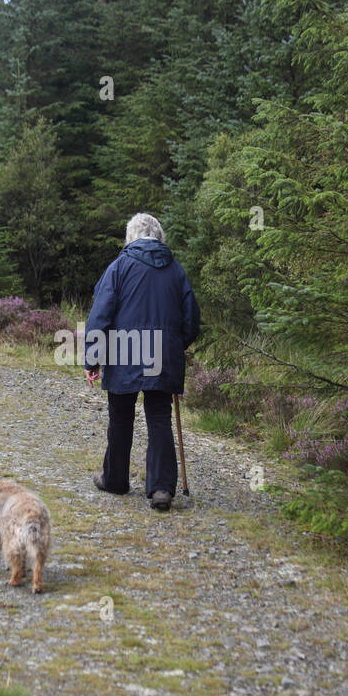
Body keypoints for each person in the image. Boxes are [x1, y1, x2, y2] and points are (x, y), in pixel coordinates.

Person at [84, 212, 201, 512]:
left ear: (130, 237)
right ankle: (161, 489)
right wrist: (175, 346)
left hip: (124, 352)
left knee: (121, 417)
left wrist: (92, 358)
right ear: (159, 237)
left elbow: (100, 314)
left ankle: (115, 480)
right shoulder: (175, 271)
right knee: (159, 417)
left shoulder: (119, 267)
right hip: (162, 354)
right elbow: (192, 321)